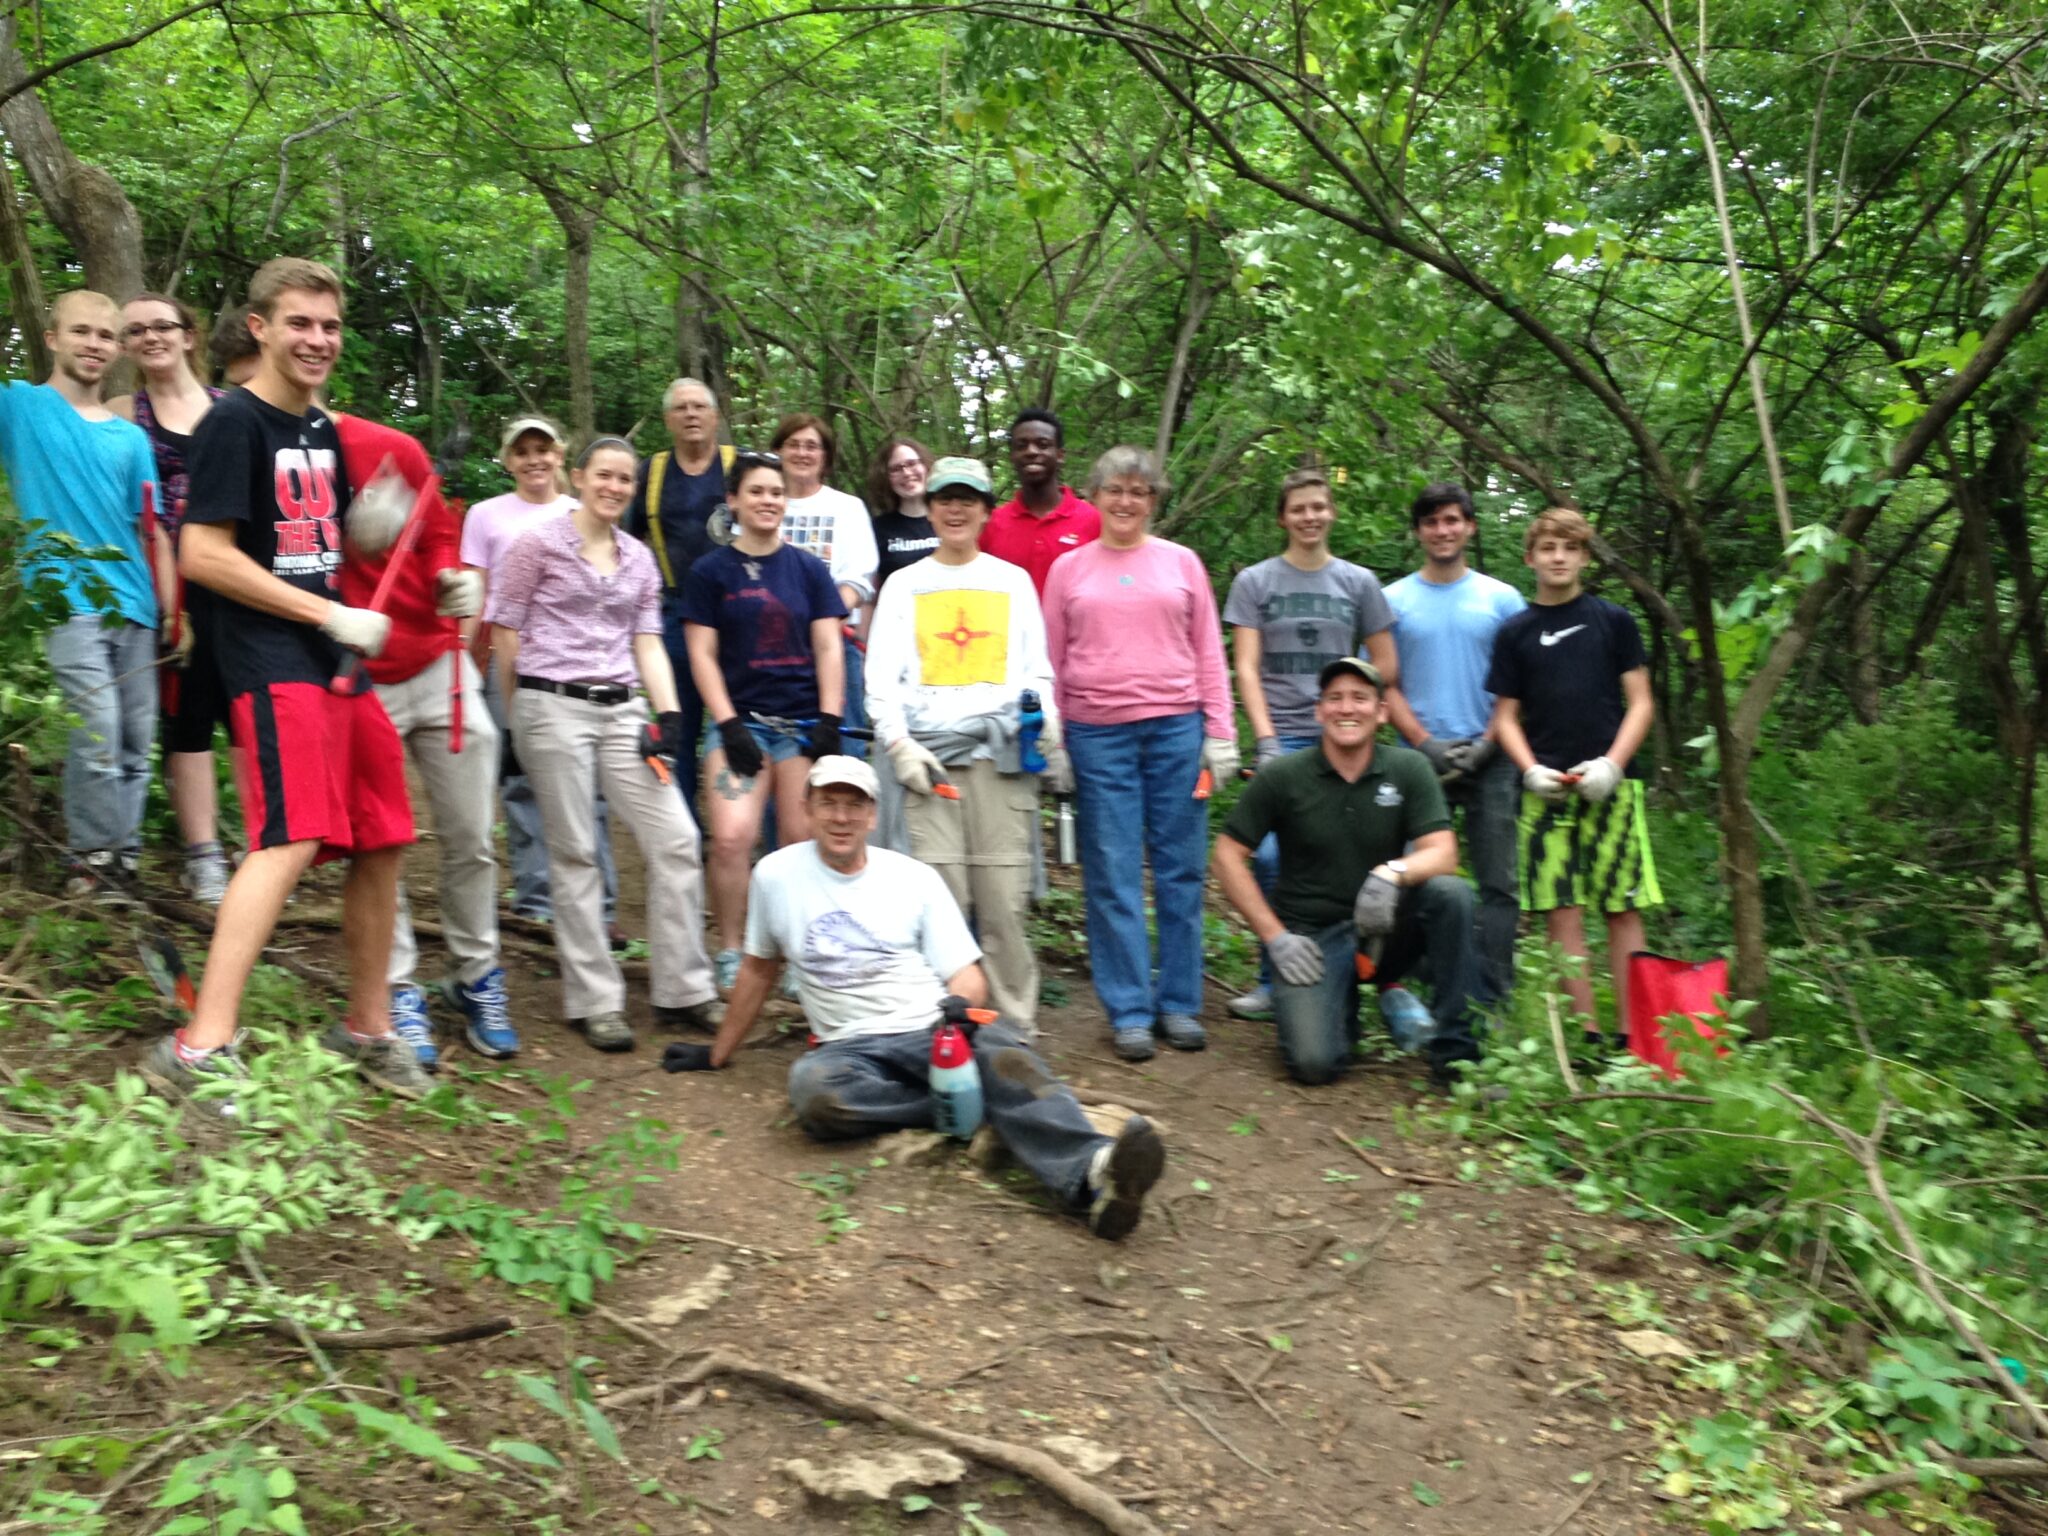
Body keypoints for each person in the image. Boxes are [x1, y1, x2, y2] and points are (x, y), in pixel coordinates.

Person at [142, 257, 430, 1105]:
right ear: (261, 328)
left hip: (332, 662)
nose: (318, 340)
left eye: (331, 326)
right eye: (300, 323)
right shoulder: (235, 422)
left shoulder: (322, 431)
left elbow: (306, 541)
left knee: (382, 833)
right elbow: (204, 554)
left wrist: (370, 539)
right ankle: (198, 1048)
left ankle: (368, 1028)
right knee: (291, 837)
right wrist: (326, 617)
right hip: (270, 660)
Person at [668, 755, 1166, 1242]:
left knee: (1009, 1058)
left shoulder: (912, 878)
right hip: (847, 1046)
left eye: (854, 805)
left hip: (931, 1027)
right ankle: (968, 1107)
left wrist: (959, 1011)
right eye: (829, 803)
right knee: (814, 1094)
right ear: (807, 808)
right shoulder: (775, 877)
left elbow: (966, 973)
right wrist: (716, 1054)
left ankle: (1095, 1171)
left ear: (873, 815)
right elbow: (758, 968)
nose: (841, 817)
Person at [485, 436, 723, 1053]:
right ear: (580, 475)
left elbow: (647, 641)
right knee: (575, 852)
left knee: (676, 837)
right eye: (604, 476)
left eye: (625, 479)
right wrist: (514, 723)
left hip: (622, 708)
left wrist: (668, 714)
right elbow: (505, 632)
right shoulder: (536, 543)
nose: (614, 487)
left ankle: (685, 988)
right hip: (549, 700)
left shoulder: (639, 559)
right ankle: (596, 999)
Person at [1043, 446, 1236, 1061]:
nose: (1126, 502)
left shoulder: (1182, 563)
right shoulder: (1068, 570)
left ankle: (1178, 1004)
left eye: (1139, 492)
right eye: (1115, 490)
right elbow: (1049, 659)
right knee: (1113, 874)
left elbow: (1209, 649)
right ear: (1094, 496)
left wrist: (1221, 733)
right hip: (1098, 736)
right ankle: (1128, 1008)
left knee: (1180, 870)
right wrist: (1056, 741)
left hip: (1177, 730)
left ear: (1154, 501)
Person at [333, 414, 515, 1067]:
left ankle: (476, 976)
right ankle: (397, 986)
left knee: (471, 834)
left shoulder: (390, 448)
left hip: (437, 662)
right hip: (357, 673)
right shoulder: (268, 457)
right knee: (380, 843)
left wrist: (447, 575)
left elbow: (439, 528)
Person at [1212, 658, 1485, 1086]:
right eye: (1334, 699)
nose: (1347, 708)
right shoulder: (1283, 775)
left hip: (1386, 927)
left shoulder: (1408, 769)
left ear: (1381, 713)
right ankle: (1342, 1006)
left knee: (1451, 894)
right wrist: (1274, 937)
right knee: (1314, 1064)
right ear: (1319, 711)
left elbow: (1443, 854)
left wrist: (1393, 872)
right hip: (1312, 937)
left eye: (1360, 698)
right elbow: (1227, 855)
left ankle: (1456, 1057)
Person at [866, 456, 1063, 1033]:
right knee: (939, 903)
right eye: (944, 499)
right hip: (931, 764)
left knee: (1003, 901)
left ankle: (1014, 1033)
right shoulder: (904, 585)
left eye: (968, 499)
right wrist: (899, 746)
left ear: (984, 510)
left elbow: (1037, 672)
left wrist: (1044, 718)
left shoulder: (1012, 581)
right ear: (928, 508)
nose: (955, 509)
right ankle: (941, 1028)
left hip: (1000, 759)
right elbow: (880, 682)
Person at [1221, 467, 1399, 1023]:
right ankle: (1276, 976)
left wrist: (1354, 702)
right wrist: (1266, 739)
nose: (1309, 517)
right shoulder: (1256, 582)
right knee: (1271, 856)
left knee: (1357, 854)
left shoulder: (1358, 583)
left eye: (1318, 506)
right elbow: (1245, 667)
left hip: (1342, 732)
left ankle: (1368, 977)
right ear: (1283, 517)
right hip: (1284, 737)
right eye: (1298, 508)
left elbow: (1387, 662)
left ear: (1332, 512)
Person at [0, 292, 161, 902]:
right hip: (65, 597)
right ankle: (89, 864)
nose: (93, 344)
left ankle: (124, 862)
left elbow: (152, 529)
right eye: (81, 332)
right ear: (52, 339)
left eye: (105, 335)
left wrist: (176, 608)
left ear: (118, 348)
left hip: (138, 603)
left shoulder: (131, 438)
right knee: (97, 727)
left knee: (134, 743)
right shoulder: (19, 407)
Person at [1486, 508, 1660, 1051]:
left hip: (1612, 786)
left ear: (1585, 556)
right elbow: (1506, 718)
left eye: (1569, 547)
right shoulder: (1514, 632)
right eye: (1547, 548)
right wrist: (1529, 768)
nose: (1558, 557)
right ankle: (1585, 1041)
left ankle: (1635, 1038)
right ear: (1530, 558)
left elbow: (1641, 703)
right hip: (1547, 792)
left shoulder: (1614, 621)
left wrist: (1612, 763)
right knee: (1562, 909)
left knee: (1621, 905)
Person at [682, 449, 848, 992]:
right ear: (733, 499)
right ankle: (733, 948)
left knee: (801, 844)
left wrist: (830, 718)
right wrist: (727, 725)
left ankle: (797, 955)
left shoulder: (809, 569)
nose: (768, 501)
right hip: (741, 721)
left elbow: (828, 647)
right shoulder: (710, 572)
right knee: (732, 837)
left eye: (776, 492)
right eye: (756, 491)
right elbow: (702, 654)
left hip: (802, 724)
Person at [462, 415, 621, 928]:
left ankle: (600, 903)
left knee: (588, 781)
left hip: (578, 661)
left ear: (561, 456)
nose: (534, 459)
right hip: (507, 657)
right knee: (521, 776)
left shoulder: (584, 510)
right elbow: (475, 592)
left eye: (544, 449)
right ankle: (536, 901)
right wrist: (463, 664)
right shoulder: (485, 516)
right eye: (522, 451)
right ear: (508, 460)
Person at [1385, 482, 1527, 1003]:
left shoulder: (1502, 599)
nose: (1442, 531)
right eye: (1431, 522)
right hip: (1418, 763)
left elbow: (1519, 683)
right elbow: (1385, 683)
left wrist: (1490, 741)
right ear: (1419, 531)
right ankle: (1422, 982)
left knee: (1498, 884)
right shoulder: (1392, 601)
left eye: (1452, 520)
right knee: (1412, 875)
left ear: (1470, 525)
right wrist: (1423, 743)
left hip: (1491, 758)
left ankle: (1493, 998)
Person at [110, 292, 230, 903]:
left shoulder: (231, 408)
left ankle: (270, 845)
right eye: (135, 331)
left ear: (189, 335)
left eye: (163, 326)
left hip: (237, 582)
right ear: (125, 346)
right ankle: (203, 854)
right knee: (188, 721)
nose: (151, 337)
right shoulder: (118, 414)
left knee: (253, 715)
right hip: (166, 589)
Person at [627, 378, 735, 819]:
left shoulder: (739, 466)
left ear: (714, 416)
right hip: (673, 614)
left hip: (737, 614)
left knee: (742, 720)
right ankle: (686, 830)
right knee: (680, 724)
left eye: (699, 407)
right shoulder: (649, 473)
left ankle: (741, 826)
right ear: (669, 420)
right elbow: (628, 543)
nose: (691, 415)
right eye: (681, 408)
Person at [771, 413, 878, 748]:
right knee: (783, 745)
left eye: (812, 446)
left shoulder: (847, 508)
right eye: (793, 445)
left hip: (837, 640)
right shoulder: (761, 501)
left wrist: (819, 620)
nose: (802, 453)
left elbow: (858, 580)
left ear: (825, 457)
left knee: (844, 751)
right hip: (770, 647)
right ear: (778, 452)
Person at [980, 406, 1100, 597]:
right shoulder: (992, 524)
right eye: (1021, 445)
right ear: (1012, 456)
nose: (1031, 451)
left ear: (1060, 455)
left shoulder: (1093, 520)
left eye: (1042, 444)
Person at [864, 436, 938, 596]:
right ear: (886, 478)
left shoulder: (950, 521)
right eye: (896, 469)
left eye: (912, 464)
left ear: (925, 466)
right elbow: (870, 594)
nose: (906, 473)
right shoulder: (876, 529)